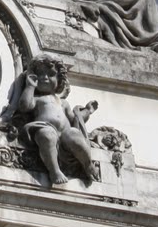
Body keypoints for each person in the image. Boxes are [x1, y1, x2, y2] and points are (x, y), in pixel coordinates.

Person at [14, 53, 100, 186]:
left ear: (60, 79)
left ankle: (87, 163)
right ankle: (54, 170)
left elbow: (74, 118)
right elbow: (24, 106)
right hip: (46, 127)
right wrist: (29, 86)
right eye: (40, 75)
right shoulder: (37, 99)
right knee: (46, 135)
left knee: (74, 134)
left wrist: (87, 111)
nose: (45, 78)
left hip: (65, 134)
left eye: (50, 74)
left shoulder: (63, 102)